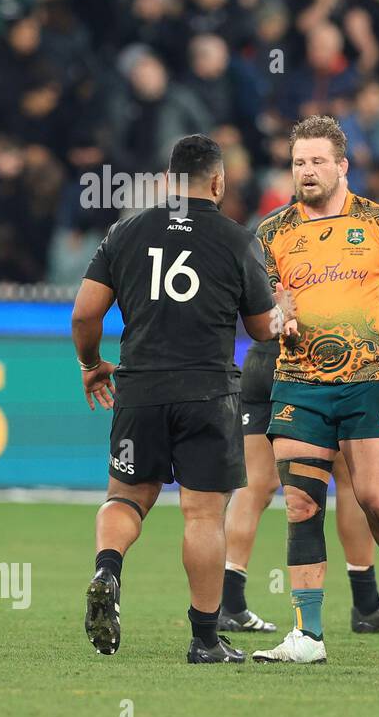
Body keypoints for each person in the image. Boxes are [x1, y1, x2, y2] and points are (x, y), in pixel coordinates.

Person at [72, 134, 295, 664]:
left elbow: (84, 314)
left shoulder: (126, 231)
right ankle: (204, 640)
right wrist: (282, 306)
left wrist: (90, 364)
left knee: (126, 495)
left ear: (169, 180)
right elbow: (265, 331)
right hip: (209, 393)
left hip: (140, 388)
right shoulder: (238, 239)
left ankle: (107, 568)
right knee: (201, 516)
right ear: (218, 182)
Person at [250, 115, 379, 664]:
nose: (306, 171)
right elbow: (258, 317)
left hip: (369, 382)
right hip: (299, 383)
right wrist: (272, 318)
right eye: (298, 162)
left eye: (316, 161)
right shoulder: (272, 233)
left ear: (342, 166)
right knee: (302, 503)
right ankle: (307, 634)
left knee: (377, 499)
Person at [220, 204, 379, 636]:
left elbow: (253, 310)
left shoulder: (268, 237)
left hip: (261, 362)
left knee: (254, 488)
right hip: (311, 367)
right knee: (349, 484)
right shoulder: (346, 240)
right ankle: (366, 603)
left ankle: (229, 601)